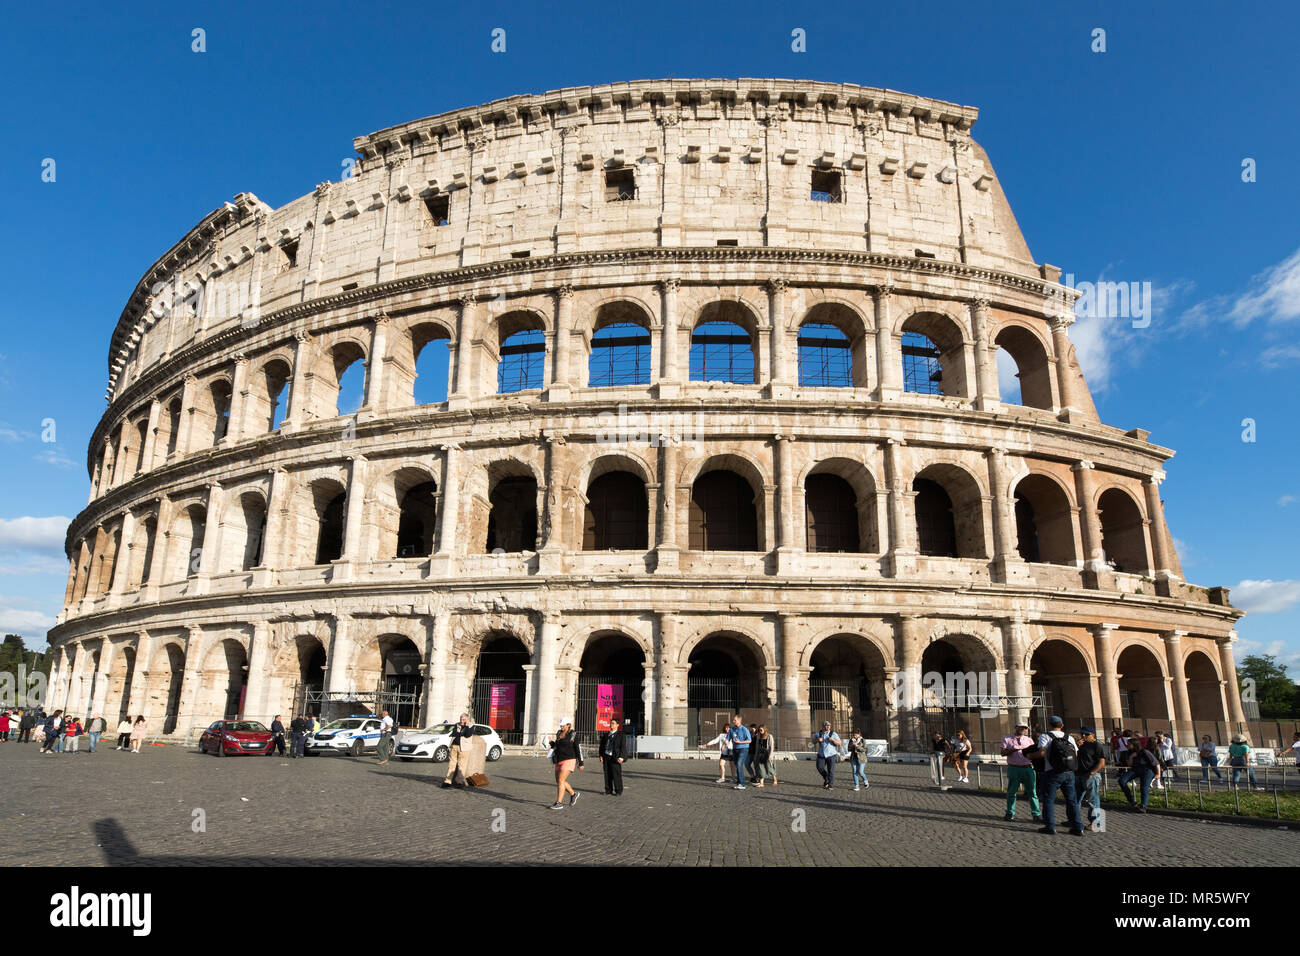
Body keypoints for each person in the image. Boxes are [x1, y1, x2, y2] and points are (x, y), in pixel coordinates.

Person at [1033, 716, 1083, 836]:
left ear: (1049, 725)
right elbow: (1075, 753)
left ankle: (1050, 826)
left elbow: (1042, 752)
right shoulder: (1068, 737)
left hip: (1053, 772)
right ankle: (1077, 826)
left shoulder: (1046, 736)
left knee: (1049, 799)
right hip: (1069, 772)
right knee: (1072, 800)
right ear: (1062, 725)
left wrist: (1031, 756)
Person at [1001, 723, 1041, 821]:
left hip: (1028, 768)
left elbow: (1034, 752)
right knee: (1012, 792)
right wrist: (1011, 750)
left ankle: (1036, 814)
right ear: (1016, 727)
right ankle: (1010, 813)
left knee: (1032, 792)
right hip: (1014, 768)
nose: (1024, 729)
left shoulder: (1029, 740)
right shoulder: (1007, 739)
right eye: (1022, 727)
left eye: (1025, 728)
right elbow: (1002, 753)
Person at [1074, 726, 1107, 830]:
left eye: (1086, 734)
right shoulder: (1081, 745)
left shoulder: (1097, 745)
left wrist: (1093, 772)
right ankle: (1074, 819)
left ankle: (1096, 822)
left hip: (1090, 776)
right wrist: (1076, 747)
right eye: (1082, 734)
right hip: (1078, 775)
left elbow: (1101, 762)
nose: (1084, 736)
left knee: (1093, 800)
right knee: (1076, 799)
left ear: (1092, 734)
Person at [548, 718, 584, 809]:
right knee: (559, 781)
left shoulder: (573, 734)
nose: (561, 726)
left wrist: (581, 762)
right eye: (561, 725)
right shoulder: (559, 733)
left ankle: (559, 803)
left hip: (569, 759)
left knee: (561, 780)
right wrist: (551, 743)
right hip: (559, 759)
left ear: (568, 725)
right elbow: (557, 746)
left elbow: (577, 748)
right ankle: (573, 794)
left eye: (563, 725)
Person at [1119, 737, 1161, 811]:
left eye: (1129, 744)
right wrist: (1131, 757)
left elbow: (1156, 763)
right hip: (1135, 769)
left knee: (1144, 787)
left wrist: (1158, 773)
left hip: (1147, 770)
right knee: (1122, 780)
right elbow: (1129, 764)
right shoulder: (1128, 752)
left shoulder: (1144, 751)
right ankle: (1132, 801)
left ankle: (1143, 805)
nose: (1127, 745)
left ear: (1134, 745)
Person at [442, 713, 477, 787]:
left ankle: (460, 782)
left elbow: (468, 735)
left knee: (462, 765)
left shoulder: (471, 726)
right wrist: (461, 733)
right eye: (461, 719)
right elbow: (454, 733)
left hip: (464, 748)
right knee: (451, 764)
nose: (461, 721)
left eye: (463, 719)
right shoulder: (457, 724)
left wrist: (466, 726)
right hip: (454, 746)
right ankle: (447, 781)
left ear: (467, 719)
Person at [599, 717, 626, 795]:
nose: (611, 725)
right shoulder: (606, 735)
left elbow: (623, 747)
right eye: (611, 723)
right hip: (606, 756)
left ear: (617, 725)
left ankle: (618, 790)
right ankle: (608, 790)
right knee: (607, 774)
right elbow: (602, 746)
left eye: (613, 723)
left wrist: (621, 757)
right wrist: (601, 755)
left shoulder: (621, 735)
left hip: (615, 756)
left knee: (616, 774)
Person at [726, 715, 752, 790]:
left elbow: (749, 740)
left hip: (743, 749)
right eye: (733, 720)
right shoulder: (732, 729)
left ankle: (742, 784)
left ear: (739, 720)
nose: (733, 721)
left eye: (735, 720)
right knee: (737, 765)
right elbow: (728, 738)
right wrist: (724, 745)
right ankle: (739, 782)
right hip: (735, 749)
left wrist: (740, 742)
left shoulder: (744, 729)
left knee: (739, 764)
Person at [814, 721, 841, 789]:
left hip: (831, 754)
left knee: (831, 770)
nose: (828, 727)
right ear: (823, 726)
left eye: (829, 725)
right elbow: (813, 742)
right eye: (826, 726)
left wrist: (833, 740)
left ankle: (830, 784)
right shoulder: (818, 733)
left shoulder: (833, 734)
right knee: (819, 767)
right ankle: (826, 778)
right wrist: (817, 740)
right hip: (821, 754)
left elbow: (840, 743)